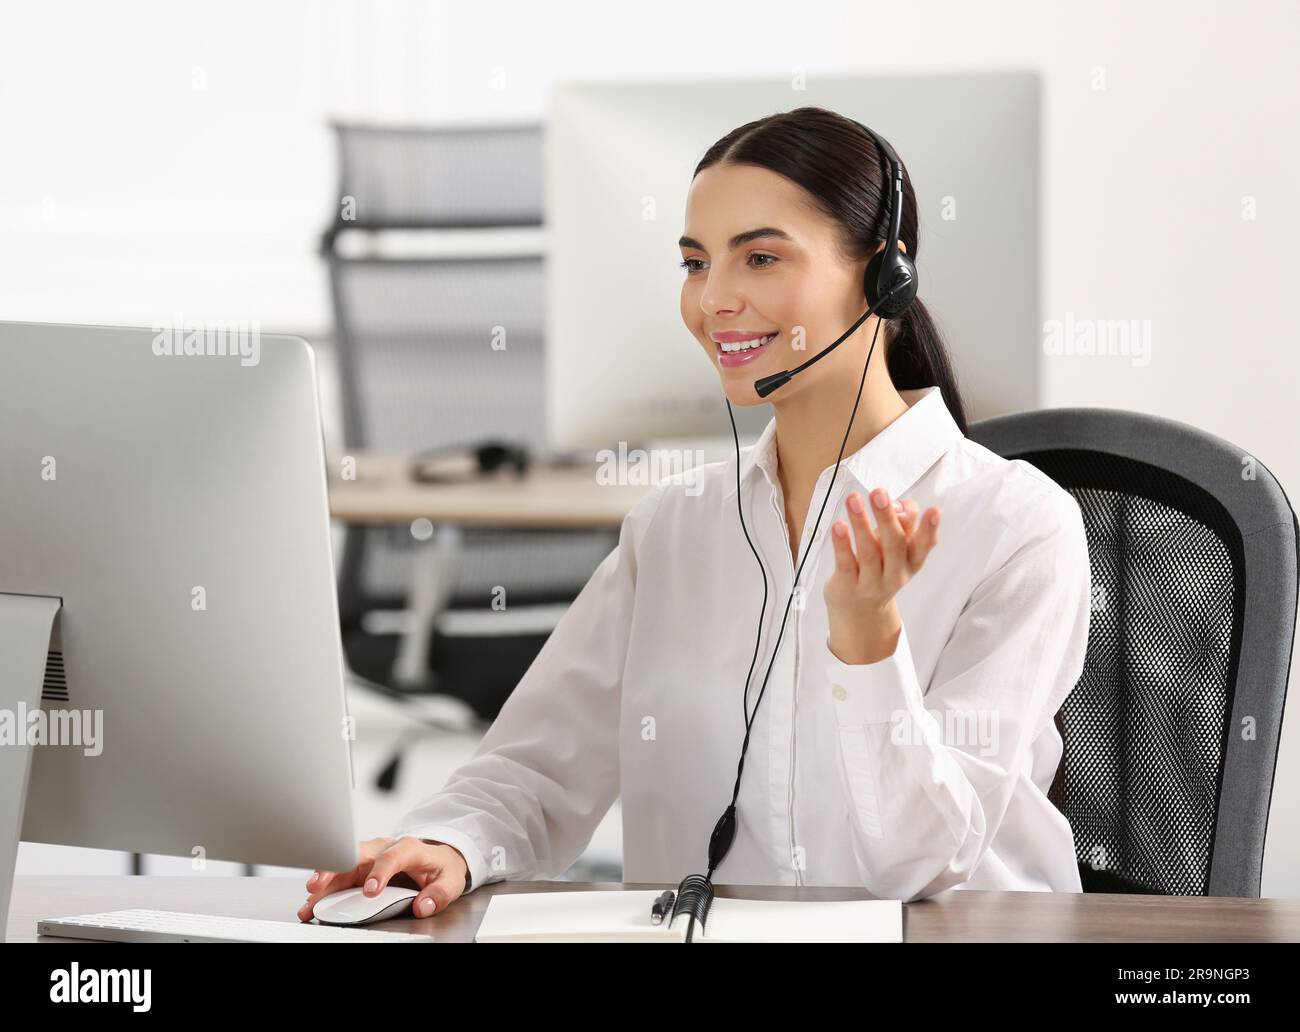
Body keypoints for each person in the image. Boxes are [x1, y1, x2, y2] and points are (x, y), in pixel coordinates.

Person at [299, 106, 1091, 923]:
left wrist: (867, 643)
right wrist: (453, 842)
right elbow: (537, 766)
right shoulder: (676, 528)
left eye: (760, 257)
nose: (715, 299)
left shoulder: (1018, 526)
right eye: (694, 262)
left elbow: (920, 862)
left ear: (885, 276)